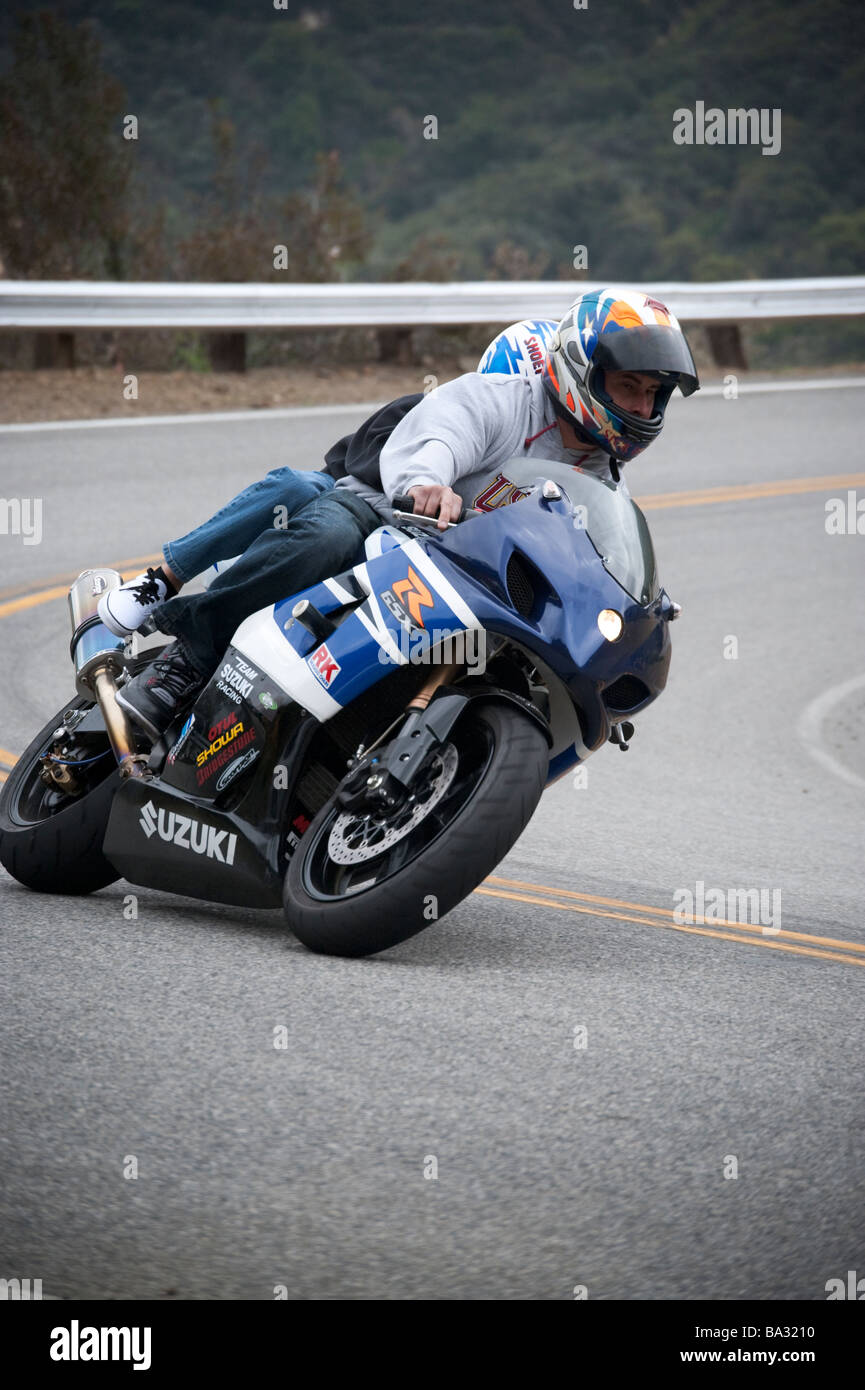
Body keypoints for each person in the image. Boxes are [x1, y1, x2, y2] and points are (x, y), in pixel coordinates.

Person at [116, 287, 699, 740]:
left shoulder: (600, 478)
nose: (642, 406)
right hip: (388, 522)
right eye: (629, 387)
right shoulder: (506, 400)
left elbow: (588, 561)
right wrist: (428, 483)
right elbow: (445, 432)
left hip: (473, 584)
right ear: (584, 371)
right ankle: (185, 664)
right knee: (327, 535)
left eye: (653, 394)